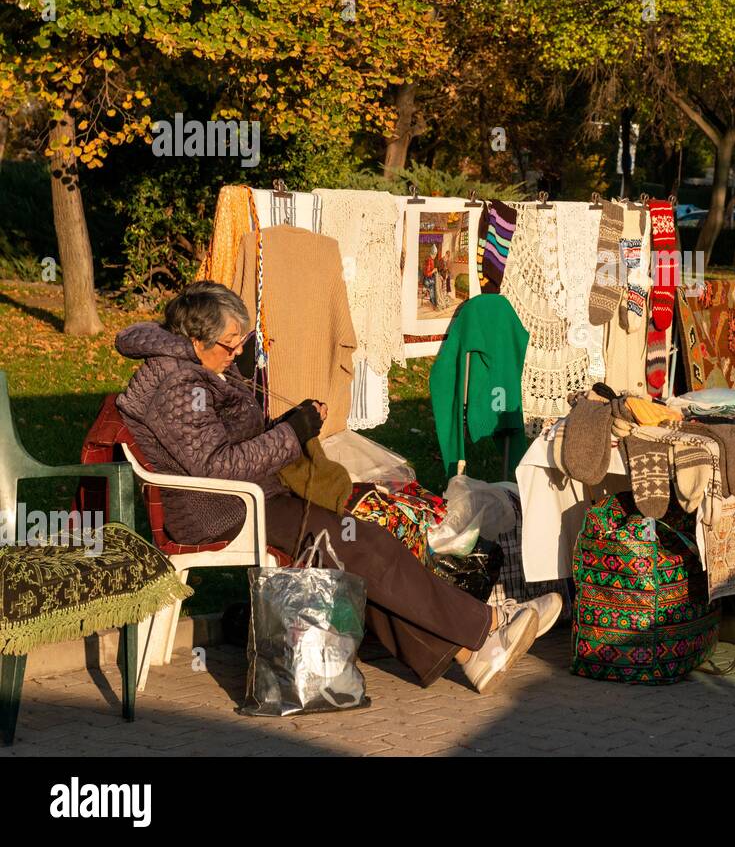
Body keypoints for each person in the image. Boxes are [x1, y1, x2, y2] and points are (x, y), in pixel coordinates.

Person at [115, 281, 558, 693]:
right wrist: (291, 434)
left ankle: (472, 650)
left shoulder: (194, 369)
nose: (237, 354)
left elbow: (225, 446)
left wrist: (287, 425)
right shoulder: (179, 384)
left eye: (242, 344)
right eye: (232, 345)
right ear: (197, 341)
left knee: (362, 548)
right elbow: (217, 466)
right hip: (222, 507)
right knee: (366, 547)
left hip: (250, 495)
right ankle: (484, 630)